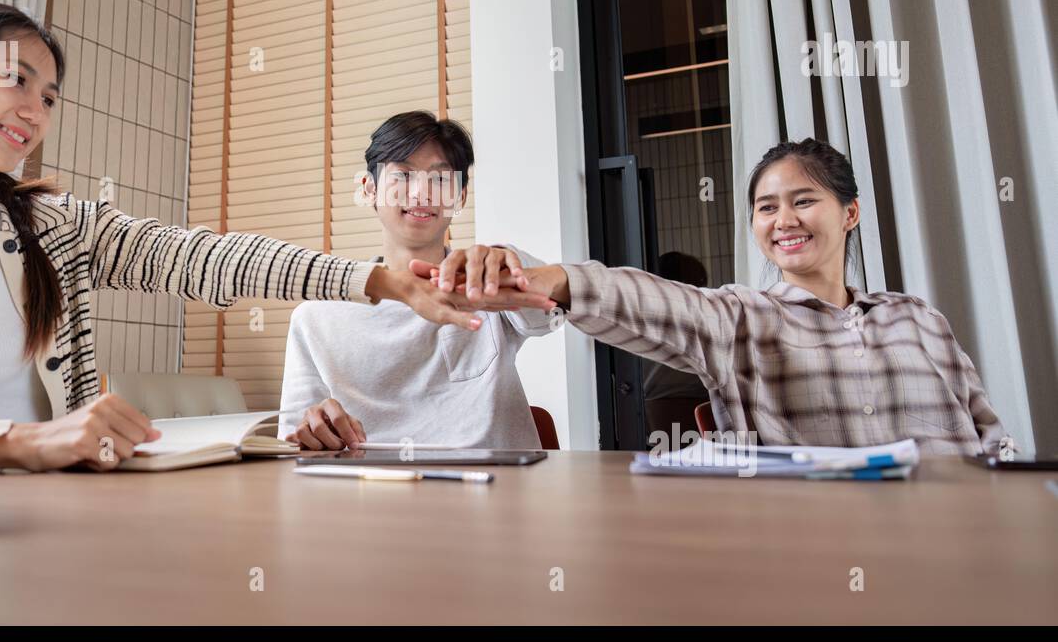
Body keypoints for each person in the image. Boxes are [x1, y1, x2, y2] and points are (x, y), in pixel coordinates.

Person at [0, 1, 552, 473]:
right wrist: (13, 444)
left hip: (61, 526)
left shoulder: (59, 228)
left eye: (49, 93)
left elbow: (206, 258)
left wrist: (377, 282)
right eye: (15, 79)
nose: (35, 107)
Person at [421, 138, 1007, 455]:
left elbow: (991, 437)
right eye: (766, 207)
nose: (784, 220)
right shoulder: (740, 318)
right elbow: (649, 299)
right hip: (819, 544)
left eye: (804, 201)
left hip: (963, 536)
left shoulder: (917, 318)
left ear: (849, 212)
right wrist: (550, 279)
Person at [279, 111, 554, 450]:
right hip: (370, 492)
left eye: (440, 180)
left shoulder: (488, 285)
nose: (422, 194)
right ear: (369, 190)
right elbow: (293, 442)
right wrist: (314, 429)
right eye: (404, 175)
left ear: (460, 197)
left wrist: (512, 264)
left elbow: (549, 312)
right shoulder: (317, 317)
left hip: (493, 490)